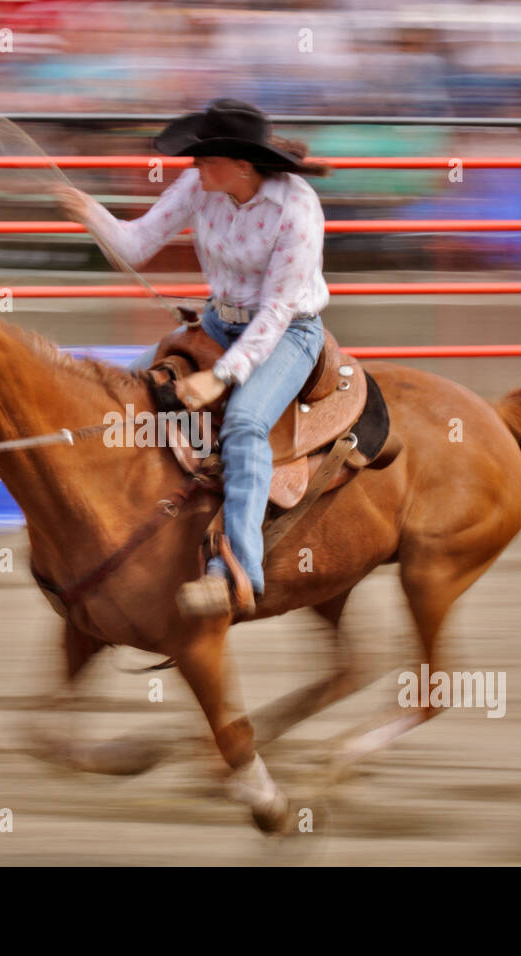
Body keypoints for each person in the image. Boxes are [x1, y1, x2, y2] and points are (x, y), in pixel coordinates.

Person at [55, 98, 331, 618]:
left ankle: (237, 573)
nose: (193, 166)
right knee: (126, 393)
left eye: (205, 158)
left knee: (246, 425)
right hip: (216, 323)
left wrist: (222, 378)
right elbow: (136, 245)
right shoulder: (200, 186)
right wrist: (91, 213)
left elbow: (276, 312)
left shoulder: (296, 209)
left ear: (242, 165)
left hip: (288, 333)